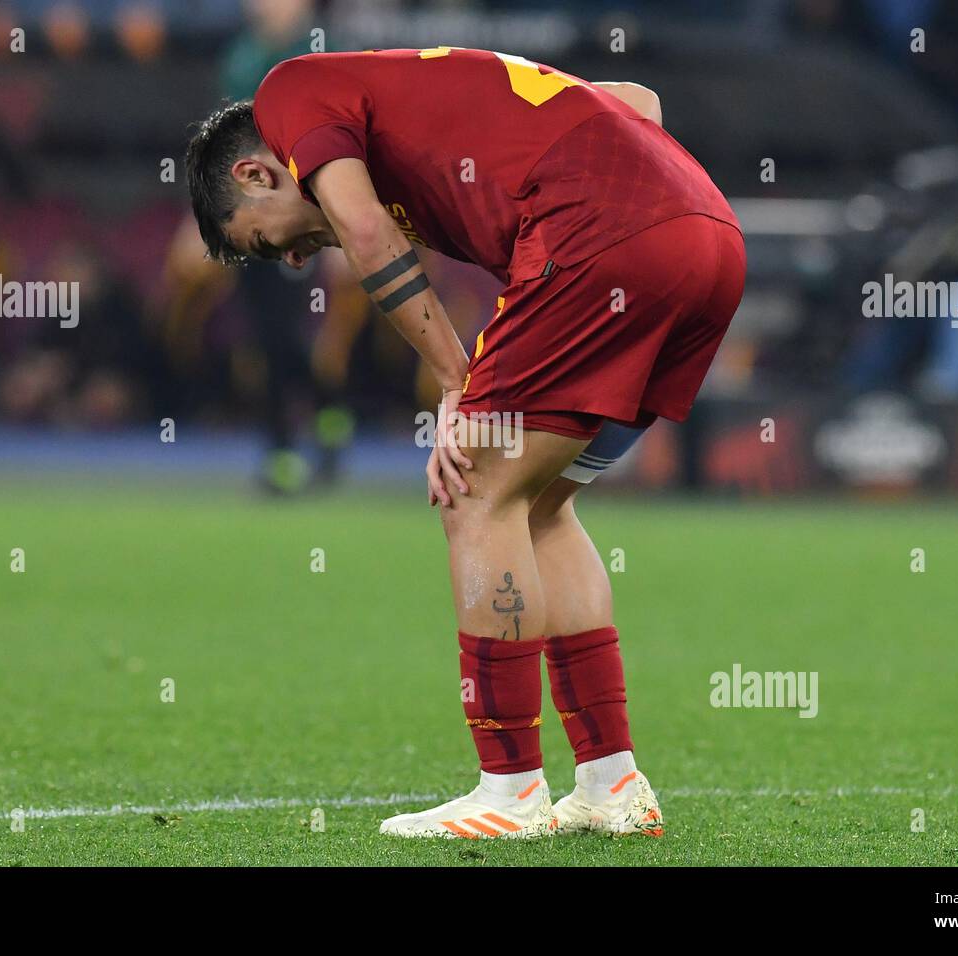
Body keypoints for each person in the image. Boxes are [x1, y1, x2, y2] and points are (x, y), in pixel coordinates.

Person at [185, 47, 745, 839]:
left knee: (473, 491)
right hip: (709, 240)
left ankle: (510, 787)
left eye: (269, 243)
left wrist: (458, 383)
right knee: (539, 504)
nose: (299, 257)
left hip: (605, 235)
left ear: (255, 176)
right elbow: (637, 99)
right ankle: (611, 783)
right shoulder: (416, 102)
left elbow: (371, 235)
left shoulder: (289, 92)